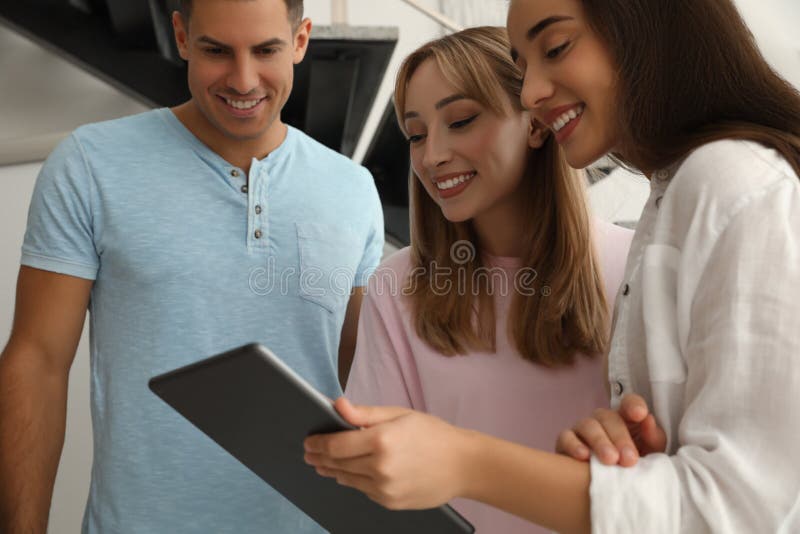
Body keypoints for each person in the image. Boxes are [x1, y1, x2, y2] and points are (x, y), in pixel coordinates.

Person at [304, 0, 800, 532]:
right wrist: (631, 456)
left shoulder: (717, 187)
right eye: (416, 134)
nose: (534, 92)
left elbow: (737, 503)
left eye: (557, 48)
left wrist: (465, 462)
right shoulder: (670, 202)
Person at [0, 0, 383, 532]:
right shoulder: (90, 165)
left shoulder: (353, 189)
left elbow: (363, 381)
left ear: (300, 41)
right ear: (181, 37)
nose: (244, 80)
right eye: (216, 50)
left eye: (266, 50)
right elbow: (36, 364)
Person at [341, 26, 631, 533]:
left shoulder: (636, 266)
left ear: (537, 124)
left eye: (461, 120)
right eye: (415, 134)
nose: (432, 156)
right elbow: (374, 500)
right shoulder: (395, 288)